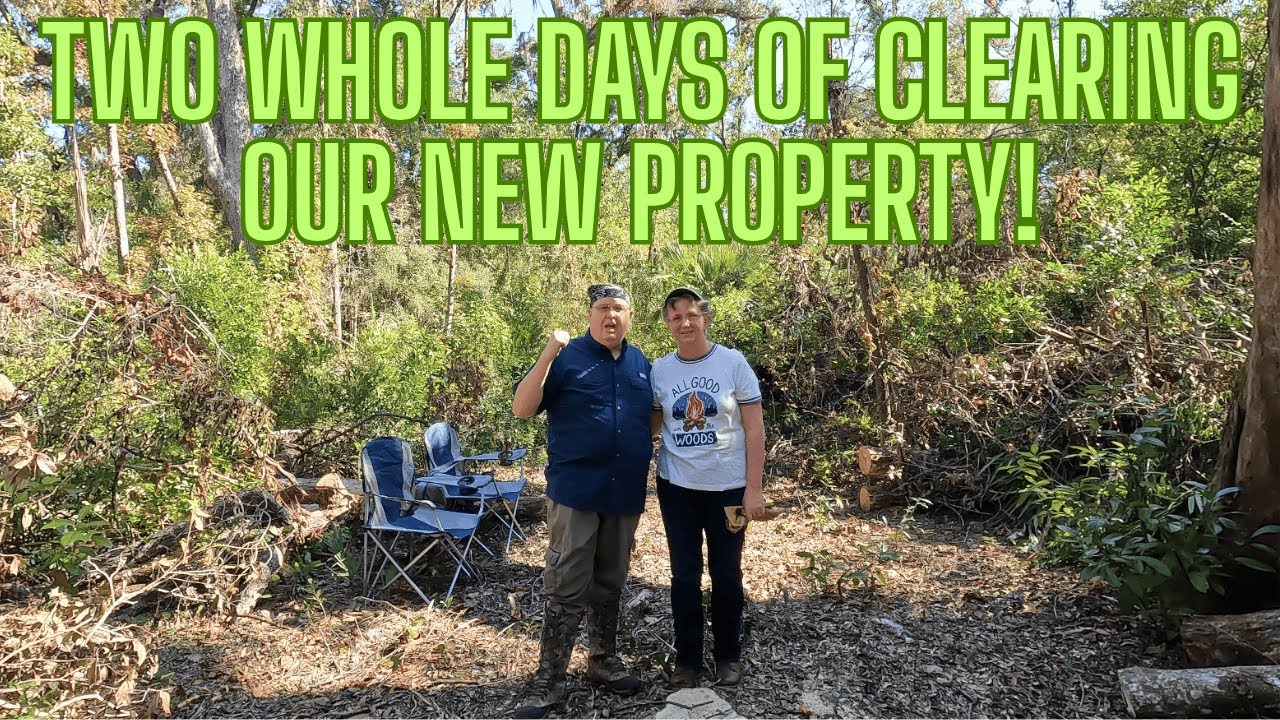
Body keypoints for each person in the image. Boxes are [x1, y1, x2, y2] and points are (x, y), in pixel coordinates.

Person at [511, 283, 653, 719]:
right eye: (603, 308)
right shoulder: (566, 359)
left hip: (624, 491)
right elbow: (521, 408)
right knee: (567, 583)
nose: (611, 316)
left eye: (619, 308)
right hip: (576, 491)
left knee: (610, 581)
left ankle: (602, 663)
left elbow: (652, 417)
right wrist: (547, 354)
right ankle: (549, 681)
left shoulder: (640, 362)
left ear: (631, 316)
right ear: (590, 314)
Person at [650, 286, 766, 689]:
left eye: (692, 314)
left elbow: (754, 429)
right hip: (677, 487)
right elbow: (652, 425)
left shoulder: (732, 363)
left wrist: (754, 489)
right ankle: (687, 661)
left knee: (726, 574)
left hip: (729, 489)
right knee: (684, 575)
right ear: (667, 324)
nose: (685, 323)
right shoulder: (660, 369)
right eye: (675, 316)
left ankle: (728, 656)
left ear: (706, 318)